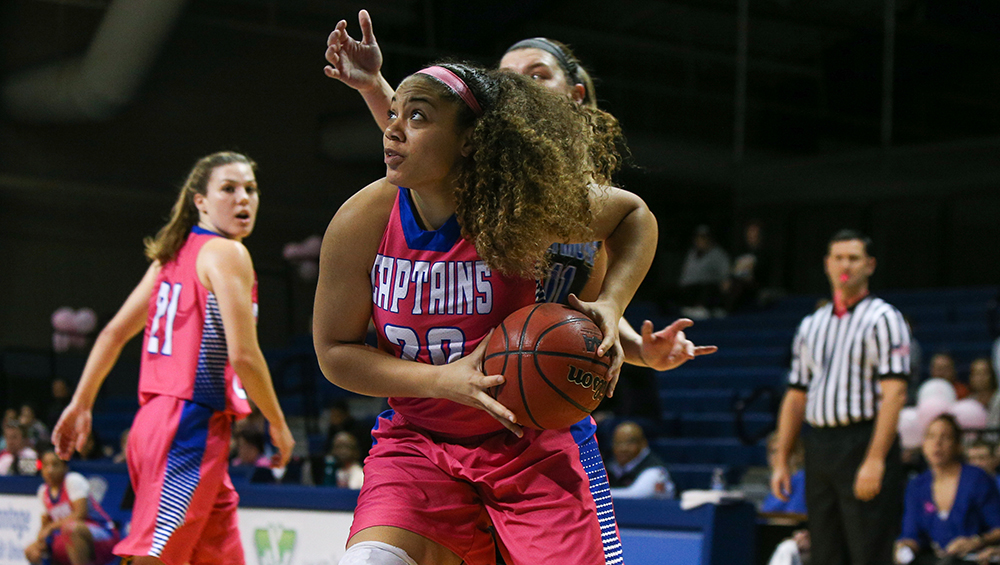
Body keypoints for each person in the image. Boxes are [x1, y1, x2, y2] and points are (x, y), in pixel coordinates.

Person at [313, 57, 656, 565]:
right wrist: (441, 382)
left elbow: (633, 215)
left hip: (529, 448)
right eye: (394, 116)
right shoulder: (361, 220)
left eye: (417, 117)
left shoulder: (523, 209)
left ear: (470, 141)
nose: (393, 130)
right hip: (418, 445)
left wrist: (612, 302)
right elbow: (335, 352)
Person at [51, 151, 295, 565]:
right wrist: (277, 422)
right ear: (200, 200)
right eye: (229, 189)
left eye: (251, 190)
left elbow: (113, 333)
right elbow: (245, 356)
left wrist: (83, 401)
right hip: (188, 424)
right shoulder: (226, 253)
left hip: (156, 424)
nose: (243, 199)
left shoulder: (174, 255)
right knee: (153, 558)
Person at [771, 229, 911, 565]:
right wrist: (781, 460)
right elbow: (795, 396)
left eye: (853, 258)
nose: (844, 264)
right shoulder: (811, 324)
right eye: (838, 258)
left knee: (868, 551)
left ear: (870, 265)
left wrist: (875, 459)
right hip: (819, 445)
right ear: (827, 264)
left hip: (863, 441)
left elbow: (895, 394)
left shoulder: (884, 318)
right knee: (824, 551)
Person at [895, 414, 1000, 564]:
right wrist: (904, 547)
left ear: (958, 445)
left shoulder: (976, 478)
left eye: (946, 437)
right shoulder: (916, 486)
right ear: (923, 444)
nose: (937, 443)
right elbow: (911, 534)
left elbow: (997, 528)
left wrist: (977, 541)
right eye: (931, 436)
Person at [23, 448, 120, 565]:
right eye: (46, 466)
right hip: (67, 537)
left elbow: (80, 514)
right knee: (31, 551)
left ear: (65, 467)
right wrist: (41, 539)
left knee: (72, 529)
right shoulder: (43, 491)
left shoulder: (73, 480)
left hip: (102, 534)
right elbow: (45, 524)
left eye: (55, 465)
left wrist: (51, 527)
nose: (50, 470)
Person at [607, 421, 674, 499]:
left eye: (629, 442)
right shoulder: (608, 465)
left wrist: (595, 495)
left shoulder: (655, 470)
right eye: (618, 443)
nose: (623, 448)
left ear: (643, 443)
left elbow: (637, 495)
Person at [677, 225, 730, 320]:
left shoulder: (718, 254)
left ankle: (704, 308)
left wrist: (725, 281)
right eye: (698, 238)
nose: (700, 241)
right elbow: (685, 275)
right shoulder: (691, 254)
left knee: (707, 289)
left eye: (703, 238)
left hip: (709, 288)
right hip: (691, 289)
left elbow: (725, 274)